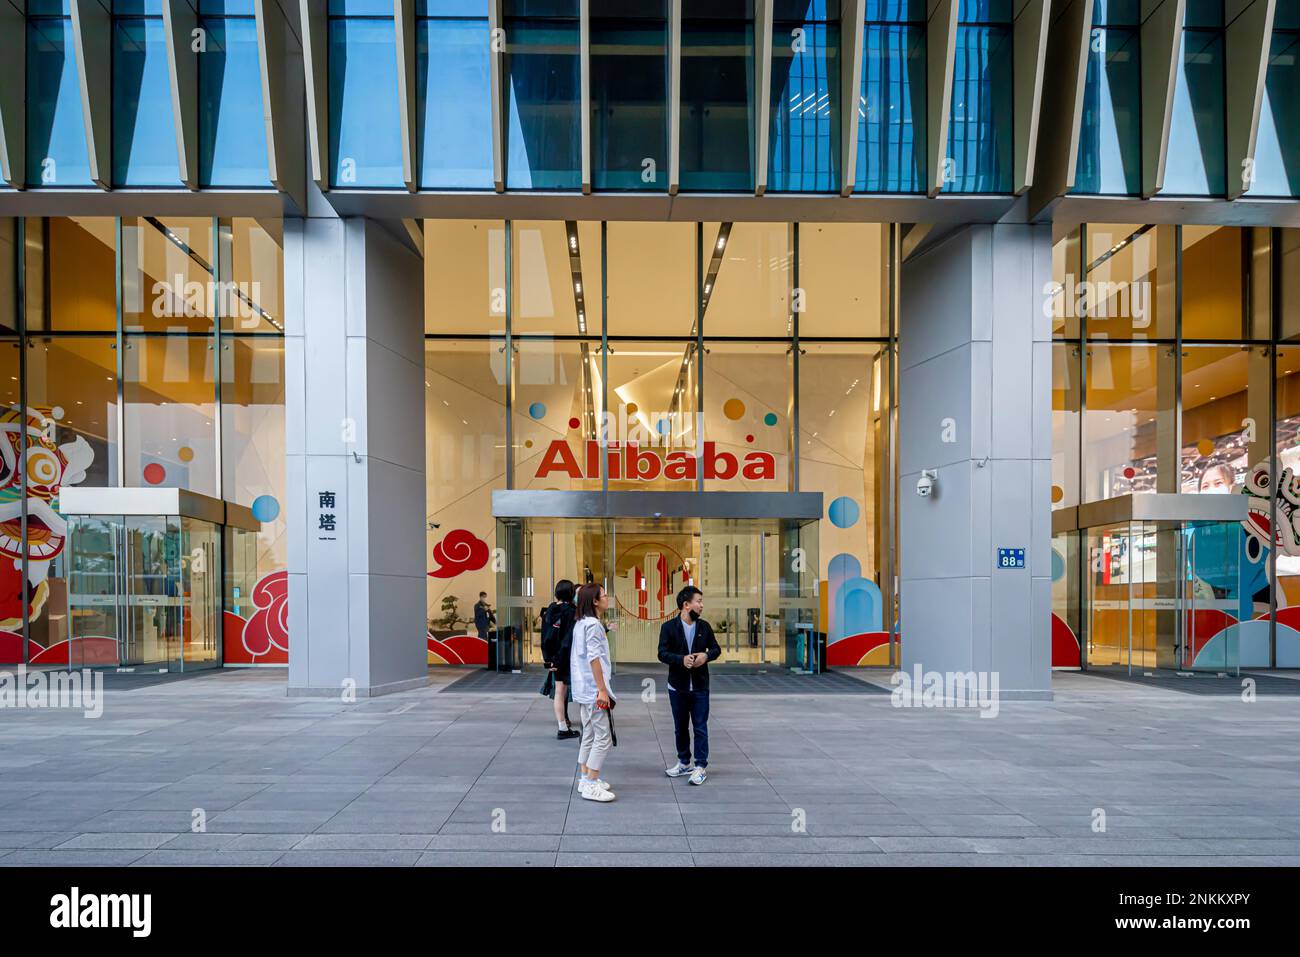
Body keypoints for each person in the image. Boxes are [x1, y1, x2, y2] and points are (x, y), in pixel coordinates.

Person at [658, 585, 720, 785]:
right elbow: (662, 653)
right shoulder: (668, 627)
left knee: (700, 727)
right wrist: (680, 659)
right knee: (680, 727)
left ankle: (700, 766)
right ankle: (684, 762)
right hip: (678, 686)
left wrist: (706, 655)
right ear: (686, 605)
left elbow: (716, 649)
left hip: (700, 686)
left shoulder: (704, 627)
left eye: (701, 602)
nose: (701, 605)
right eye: (698, 601)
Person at [570, 583, 616, 803]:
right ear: (595, 601)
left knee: (588, 733)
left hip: (582, 688)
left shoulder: (580, 623)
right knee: (603, 737)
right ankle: (590, 783)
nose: (608, 599)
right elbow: (594, 658)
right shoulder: (594, 626)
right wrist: (601, 690)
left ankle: (585, 778)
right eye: (605, 596)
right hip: (592, 689)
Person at [540, 579, 580, 739]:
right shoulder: (572, 611)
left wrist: (549, 659)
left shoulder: (550, 609)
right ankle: (566, 728)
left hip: (553, 658)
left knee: (559, 692)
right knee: (572, 690)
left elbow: (545, 636)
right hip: (567, 657)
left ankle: (562, 726)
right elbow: (569, 638)